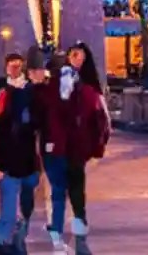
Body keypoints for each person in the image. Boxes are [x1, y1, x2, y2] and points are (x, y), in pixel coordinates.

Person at [34, 43, 111, 255]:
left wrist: (95, 148)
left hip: (76, 150)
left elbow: (100, 122)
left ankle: (79, 240)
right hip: (55, 149)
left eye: (80, 56)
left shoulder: (88, 92)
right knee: (59, 193)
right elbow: (40, 115)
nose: (76, 59)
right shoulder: (51, 88)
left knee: (76, 197)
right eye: (73, 55)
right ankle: (58, 240)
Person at [0, 47, 46, 255]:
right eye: (11, 66)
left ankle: (18, 241)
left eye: (19, 66)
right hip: (8, 165)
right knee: (9, 211)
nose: (15, 69)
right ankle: (3, 243)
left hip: (30, 163)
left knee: (26, 208)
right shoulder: (3, 95)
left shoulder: (34, 92)